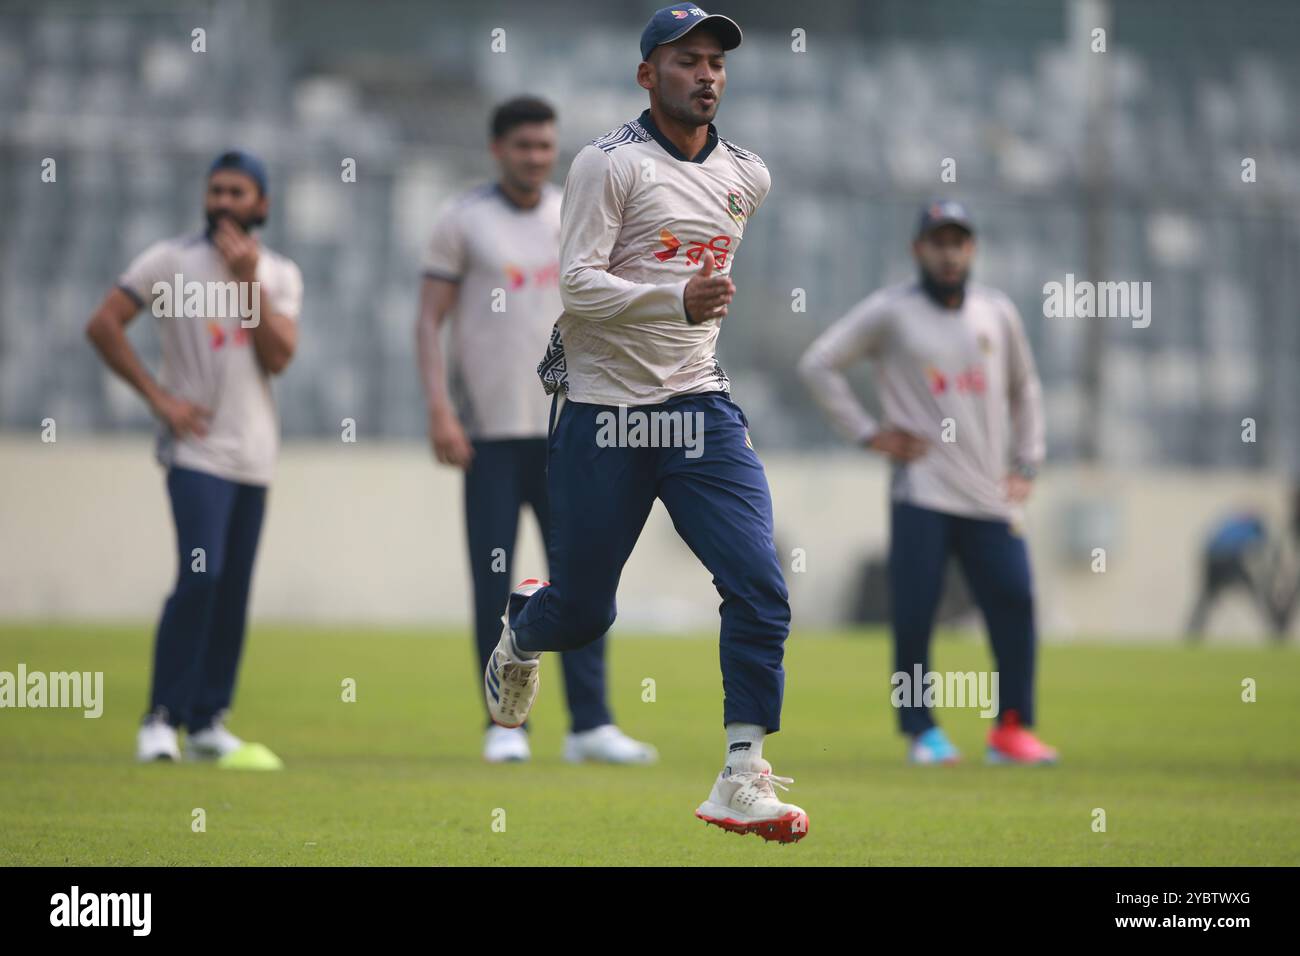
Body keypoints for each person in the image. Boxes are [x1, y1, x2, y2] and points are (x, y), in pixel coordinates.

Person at [482, 4, 808, 842]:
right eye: (688, 60)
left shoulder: (748, 175)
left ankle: (742, 773)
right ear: (646, 75)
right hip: (604, 417)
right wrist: (675, 296)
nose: (707, 75)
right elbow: (579, 285)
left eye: (717, 63)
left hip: (699, 407)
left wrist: (684, 313)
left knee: (761, 586)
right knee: (585, 614)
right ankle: (525, 626)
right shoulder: (607, 164)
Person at [417, 97, 656, 764]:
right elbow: (427, 320)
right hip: (489, 433)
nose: (536, 157)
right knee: (491, 579)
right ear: (498, 149)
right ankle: (503, 726)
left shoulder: (572, 213)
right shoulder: (462, 220)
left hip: (573, 430)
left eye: (546, 146)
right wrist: (439, 407)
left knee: (581, 581)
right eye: (523, 145)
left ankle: (591, 726)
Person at [798, 200, 1059, 766]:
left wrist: (1028, 462)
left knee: (1015, 603)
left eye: (959, 242)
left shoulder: (997, 312)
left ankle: (1011, 729)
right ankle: (922, 733)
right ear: (919, 249)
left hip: (989, 494)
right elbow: (819, 363)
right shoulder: (892, 312)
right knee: (916, 613)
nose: (949, 253)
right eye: (938, 242)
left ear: (972, 249)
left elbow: (1025, 388)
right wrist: (869, 434)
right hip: (922, 491)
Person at [86, 151, 301, 767]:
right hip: (195, 452)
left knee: (232, 589)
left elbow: (280, 356)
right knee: (200, 576)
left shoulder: (280, 273)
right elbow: (104, 324)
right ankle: (160, 719)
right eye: (216, 191)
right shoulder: (169, 261)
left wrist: (249, 279)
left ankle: (208, 720)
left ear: (261, 203)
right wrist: (160, 399)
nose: (225, 203)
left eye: (238, 193)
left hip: (255, 456)